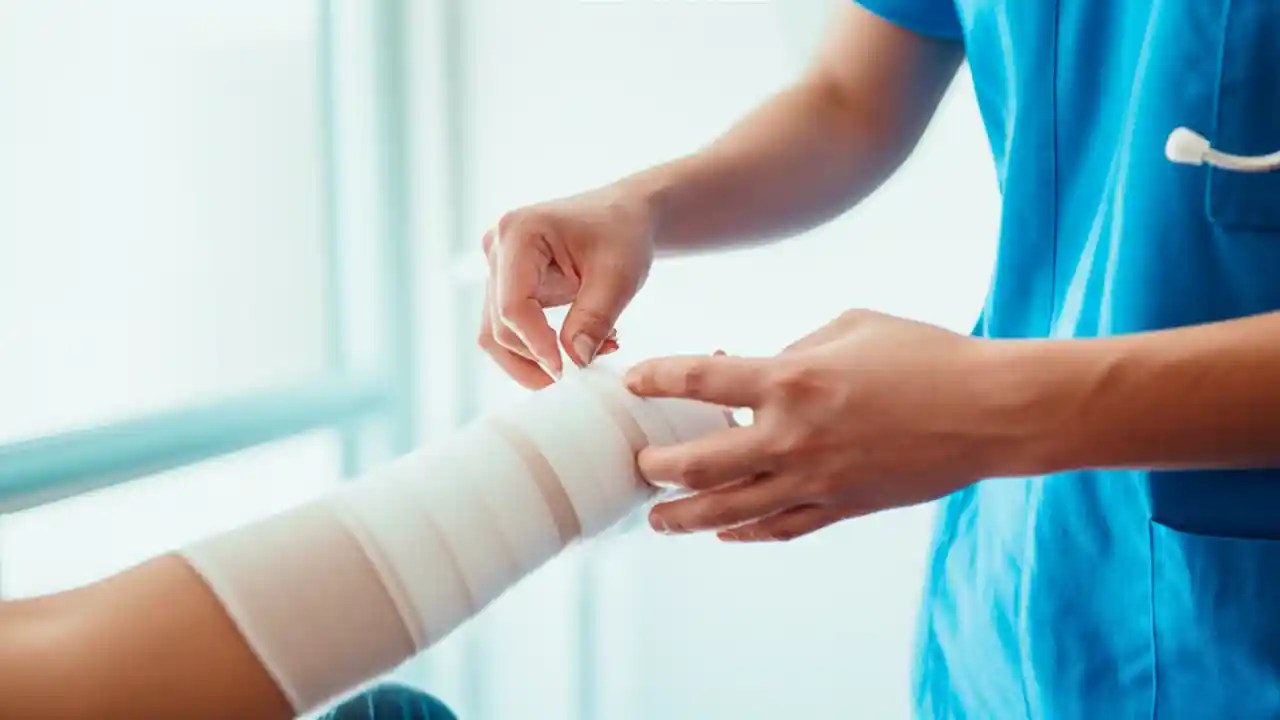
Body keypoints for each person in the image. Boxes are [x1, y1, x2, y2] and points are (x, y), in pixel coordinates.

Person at [481, 2, 1280, 717]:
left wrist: (983, 408)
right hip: (1011, 617)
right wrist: (641, 206)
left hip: (1241, 641)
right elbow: (847, 99)